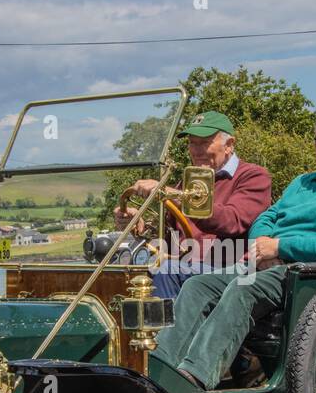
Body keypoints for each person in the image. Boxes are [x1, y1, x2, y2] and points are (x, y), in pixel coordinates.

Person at [151, 109, 316, 391]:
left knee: (243, 287)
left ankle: (195, 378)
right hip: (270, 264)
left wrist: (279, 246)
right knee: (197, 285)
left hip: (315, 274)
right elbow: (266, 217)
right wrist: (261, 246)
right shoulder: (303, 183)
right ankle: (159, 370)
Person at [115, 111, 271, 298]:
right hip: (186, 268)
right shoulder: (191, 181)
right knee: (120, 272)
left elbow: (232, 221)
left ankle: (168, 328)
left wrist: (173, 194)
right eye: (192, 143)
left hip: (228, 273)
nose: (196, 151)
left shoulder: (253, 176)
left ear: (229, 145)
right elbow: (169, 234)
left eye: (204, 143)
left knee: (166, 268)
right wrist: (139, 224)